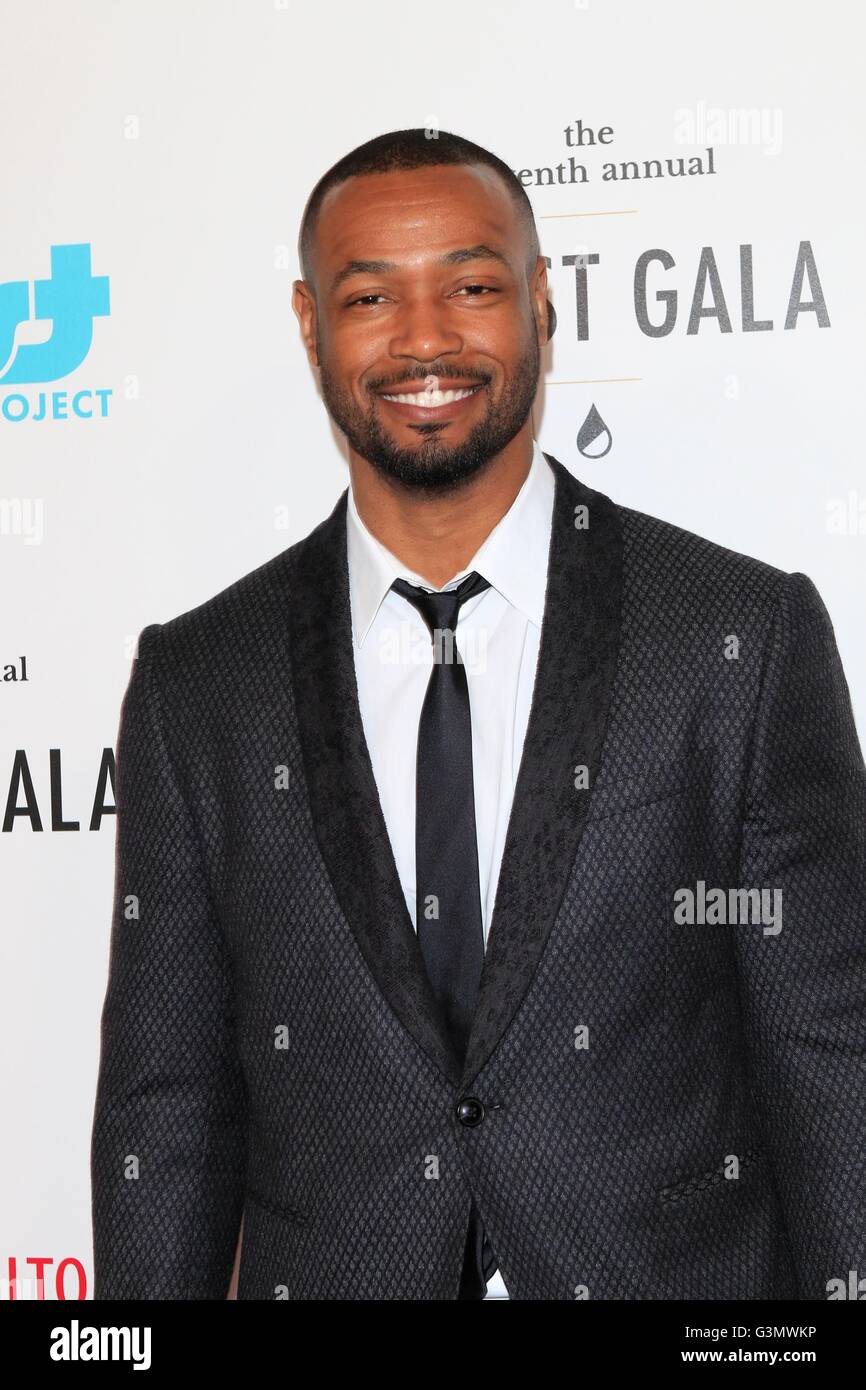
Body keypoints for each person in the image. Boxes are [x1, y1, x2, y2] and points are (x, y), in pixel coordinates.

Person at [91, 127, 866, 1300]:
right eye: (369, 296)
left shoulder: (736, 638)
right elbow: (168, 1103)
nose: (423, 339)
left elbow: (831, 1066)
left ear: (541, 304)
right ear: (308, 326)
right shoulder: (199, 686)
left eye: (469, 286)